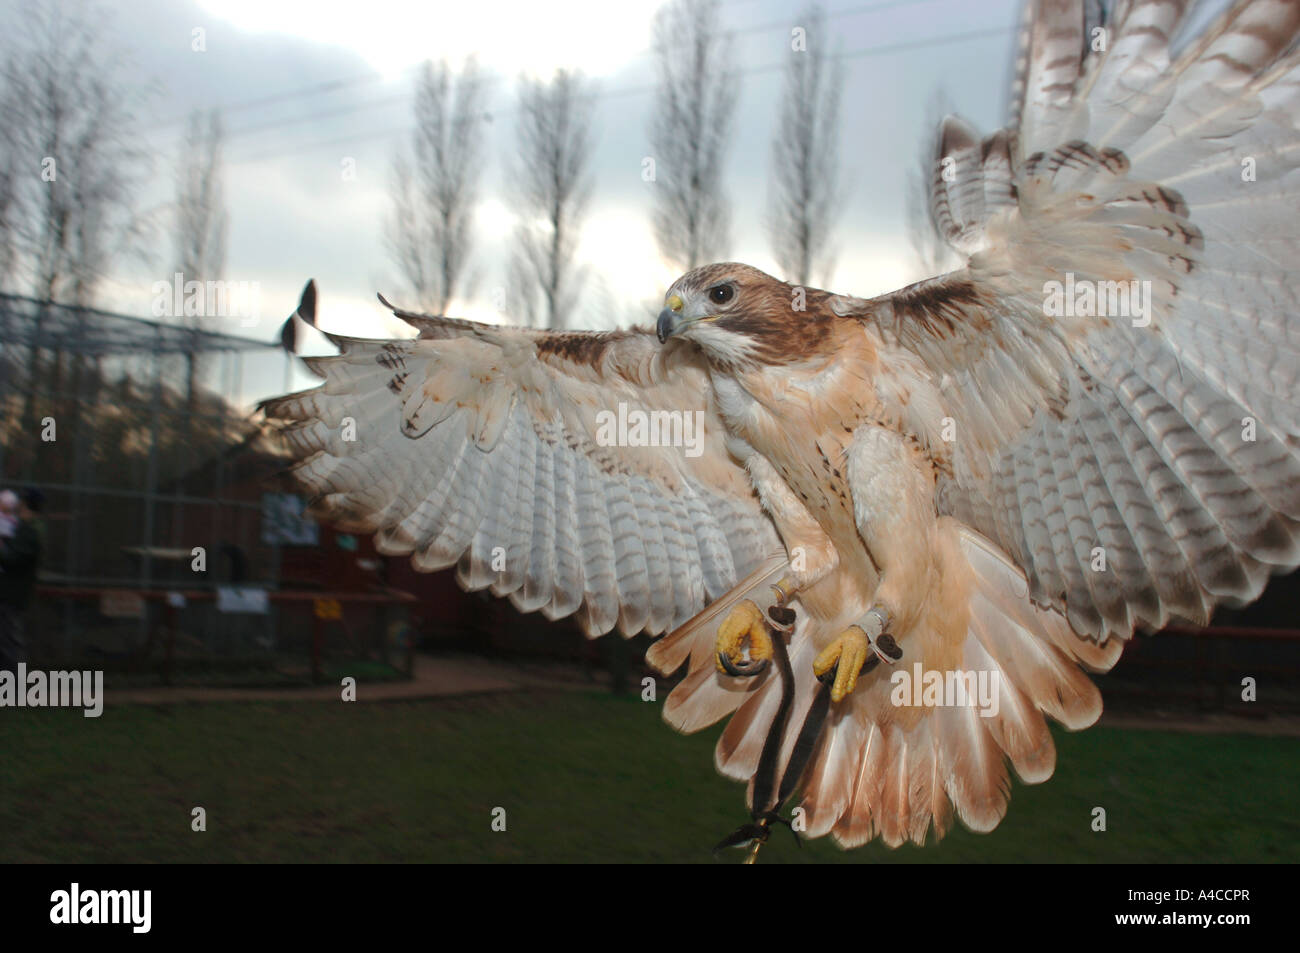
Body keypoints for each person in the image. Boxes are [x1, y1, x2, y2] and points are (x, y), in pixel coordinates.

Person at [0, 488, 45, 673]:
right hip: (11, 591)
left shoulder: (31, 530)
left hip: (14, 593)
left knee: (11, 639)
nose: (18, 505)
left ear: (27, 504)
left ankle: (15, 683)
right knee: (7, 638)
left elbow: (13, 558)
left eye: (22, 502)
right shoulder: (26, 527)